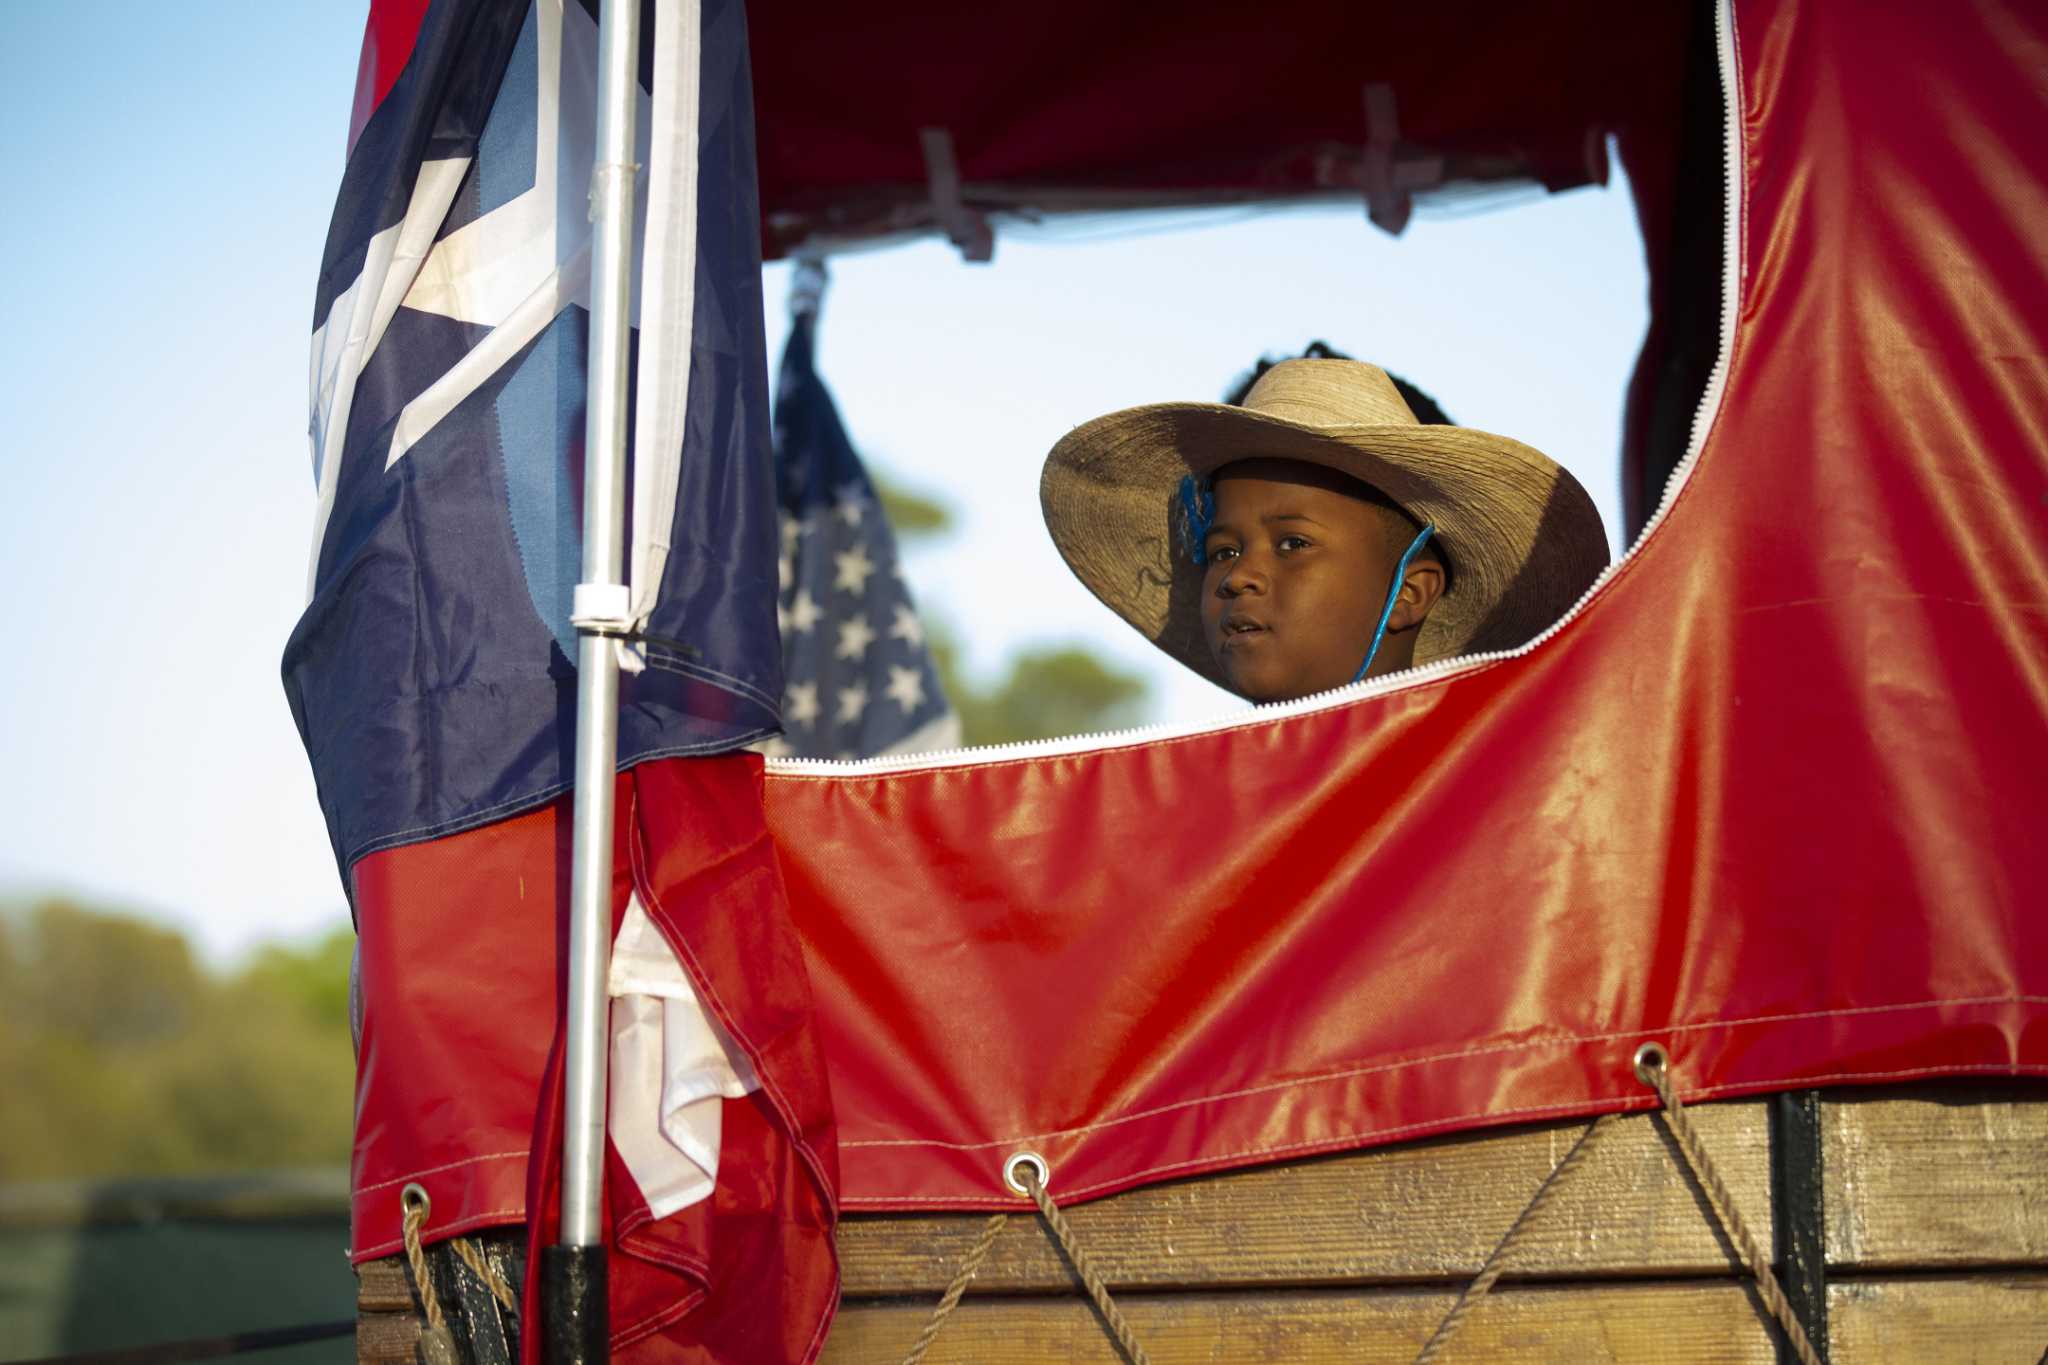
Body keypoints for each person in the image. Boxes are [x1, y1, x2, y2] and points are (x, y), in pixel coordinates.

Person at [1038, 356, 1610, 703]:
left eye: (1293, 544)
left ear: (1410, 592)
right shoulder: (1185, 812)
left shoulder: (1476, 797)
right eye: (1222, 550)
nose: (1238, 576)